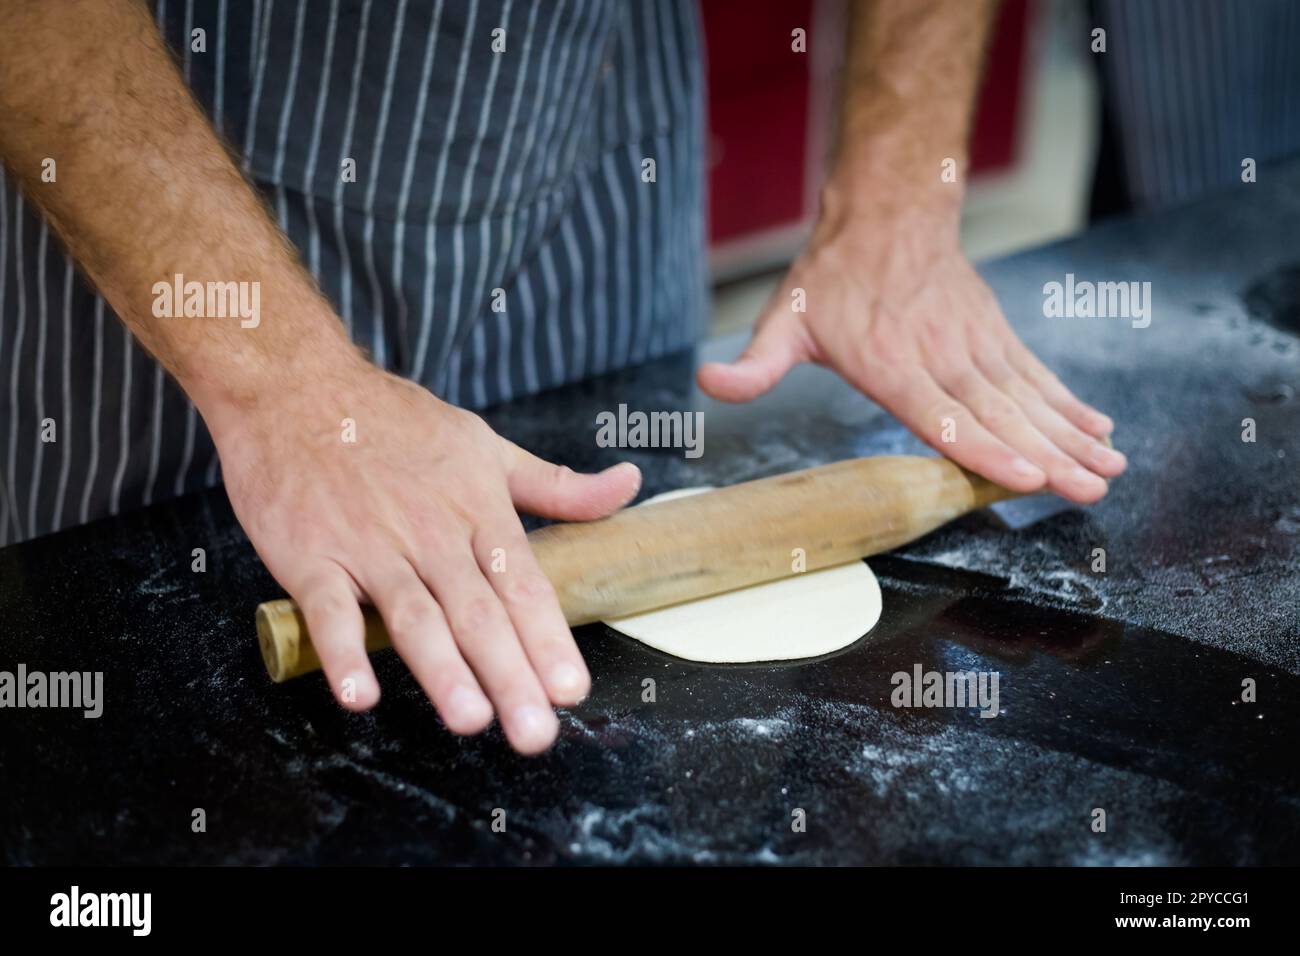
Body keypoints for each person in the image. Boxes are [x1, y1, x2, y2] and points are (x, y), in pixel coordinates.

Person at [0, 0, 1123, 754]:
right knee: (155, 717)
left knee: (605, 757)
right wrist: (277, 382)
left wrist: (896, 195)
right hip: (189, 189)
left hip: (593, 125)